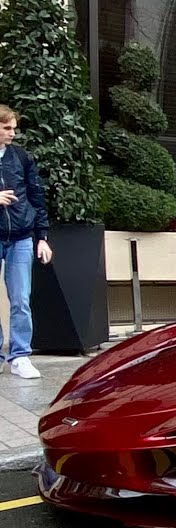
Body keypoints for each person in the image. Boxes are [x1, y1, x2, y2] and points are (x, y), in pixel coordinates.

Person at [0, 105, 52, 380]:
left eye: (13, 128)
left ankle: (19, 356)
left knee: (21, 298)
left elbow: (36, 196)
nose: (13, 133)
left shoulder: (22, 157)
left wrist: (42, 237)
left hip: (21, 236)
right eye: (7, 128)